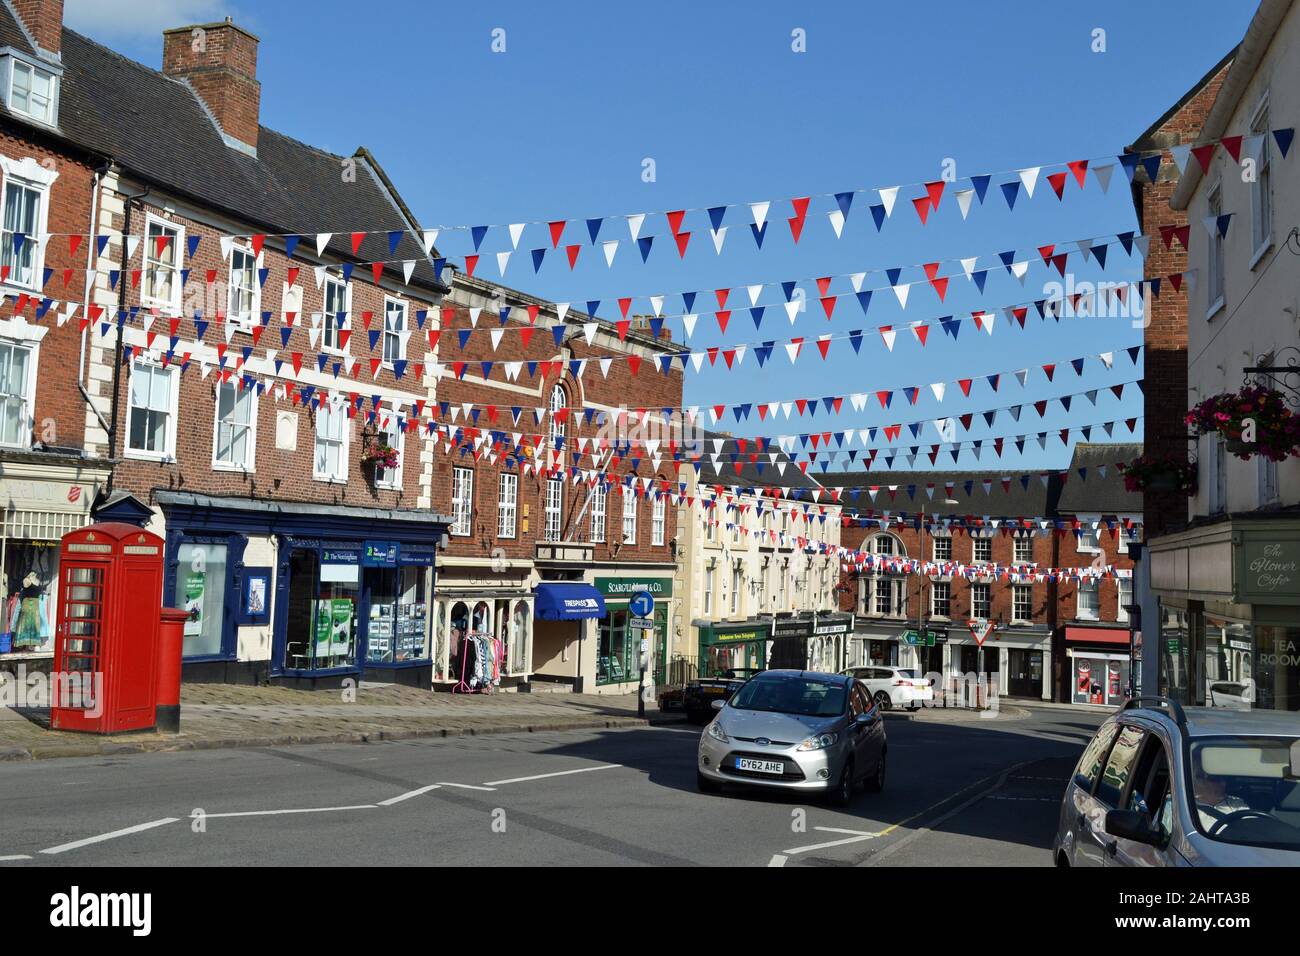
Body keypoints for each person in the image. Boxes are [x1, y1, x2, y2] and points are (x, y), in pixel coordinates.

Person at [1192, 766, 1249, 830]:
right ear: (1198, 781)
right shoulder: (1189, 809)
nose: (1222, 783)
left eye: (1224, 778)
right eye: (1214, 778)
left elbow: (1252, 825)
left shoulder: (1236, 803)